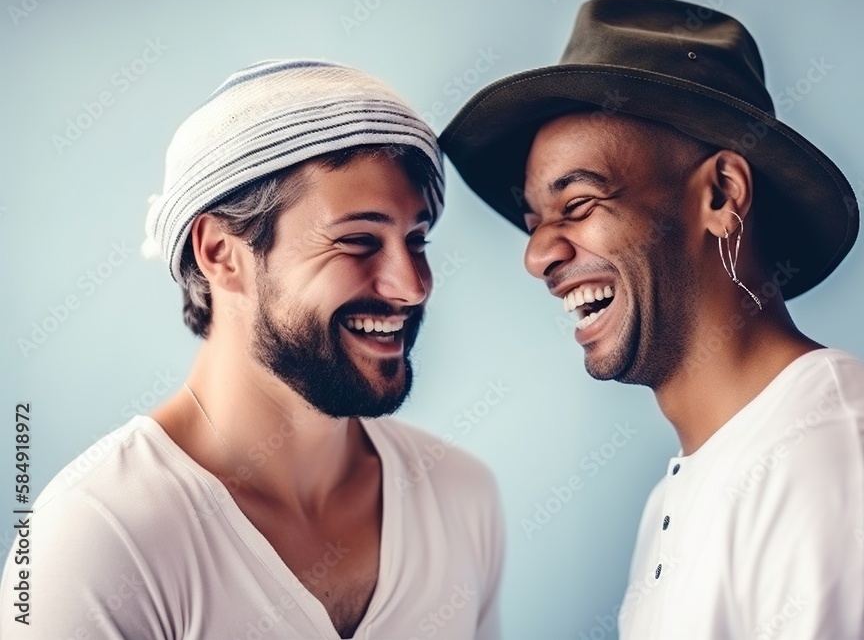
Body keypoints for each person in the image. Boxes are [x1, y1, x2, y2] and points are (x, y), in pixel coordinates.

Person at [441, 0, 864, 639]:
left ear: (721, 194)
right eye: (536, 222)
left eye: (581, 203)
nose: (538, 254)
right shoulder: (686, 486)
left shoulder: (829, 470)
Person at [0, 60, 503, 639]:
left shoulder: (462, 497)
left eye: (416, 240)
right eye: (358, 241)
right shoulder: (94, 540)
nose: (412, 285)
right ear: (220, 253)